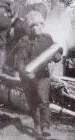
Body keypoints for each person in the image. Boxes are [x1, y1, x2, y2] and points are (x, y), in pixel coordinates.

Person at [14, 8, 61, 137]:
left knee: (43, 99)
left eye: (38, 24)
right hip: (27, 77)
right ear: (28, 27)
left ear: (42, 24)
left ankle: (45, 126)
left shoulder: (47, 38)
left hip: (43, 75)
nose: (36, 28)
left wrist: (57, 56)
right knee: (33, 101)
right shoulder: (24, 42)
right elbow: (19, 62)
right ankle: (36, 124)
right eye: (33, 25)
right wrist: (25, 73)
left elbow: (55, 53)